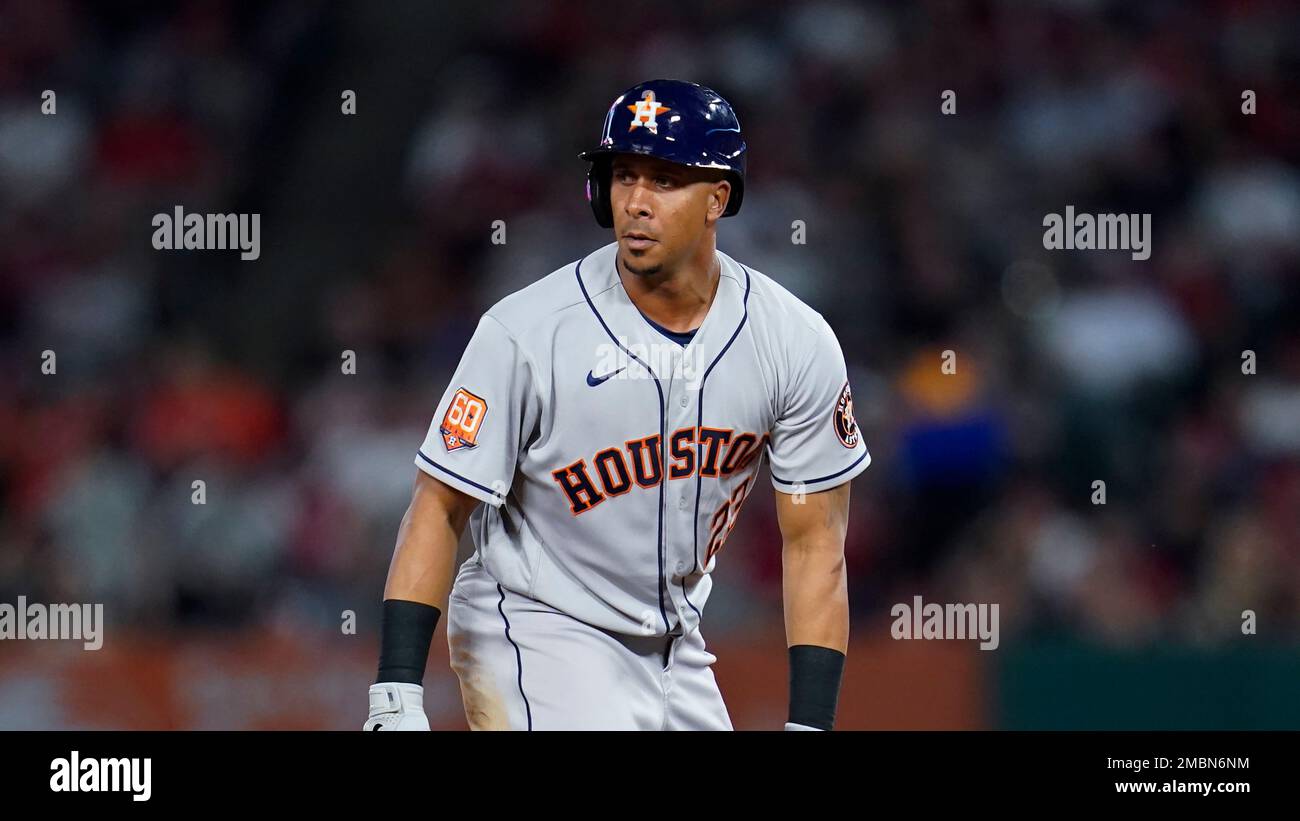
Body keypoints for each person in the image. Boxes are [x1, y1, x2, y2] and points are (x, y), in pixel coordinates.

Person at [365, 79, 869, 731]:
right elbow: (438, 505)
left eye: (663, 179)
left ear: (718, 197)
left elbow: (815, 543)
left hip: (676, 648)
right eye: (623, 175)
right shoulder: (528, 330)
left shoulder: (792, 341)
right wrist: (396, 688)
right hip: (533, 623)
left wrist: (811, 723)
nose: (636, 201)